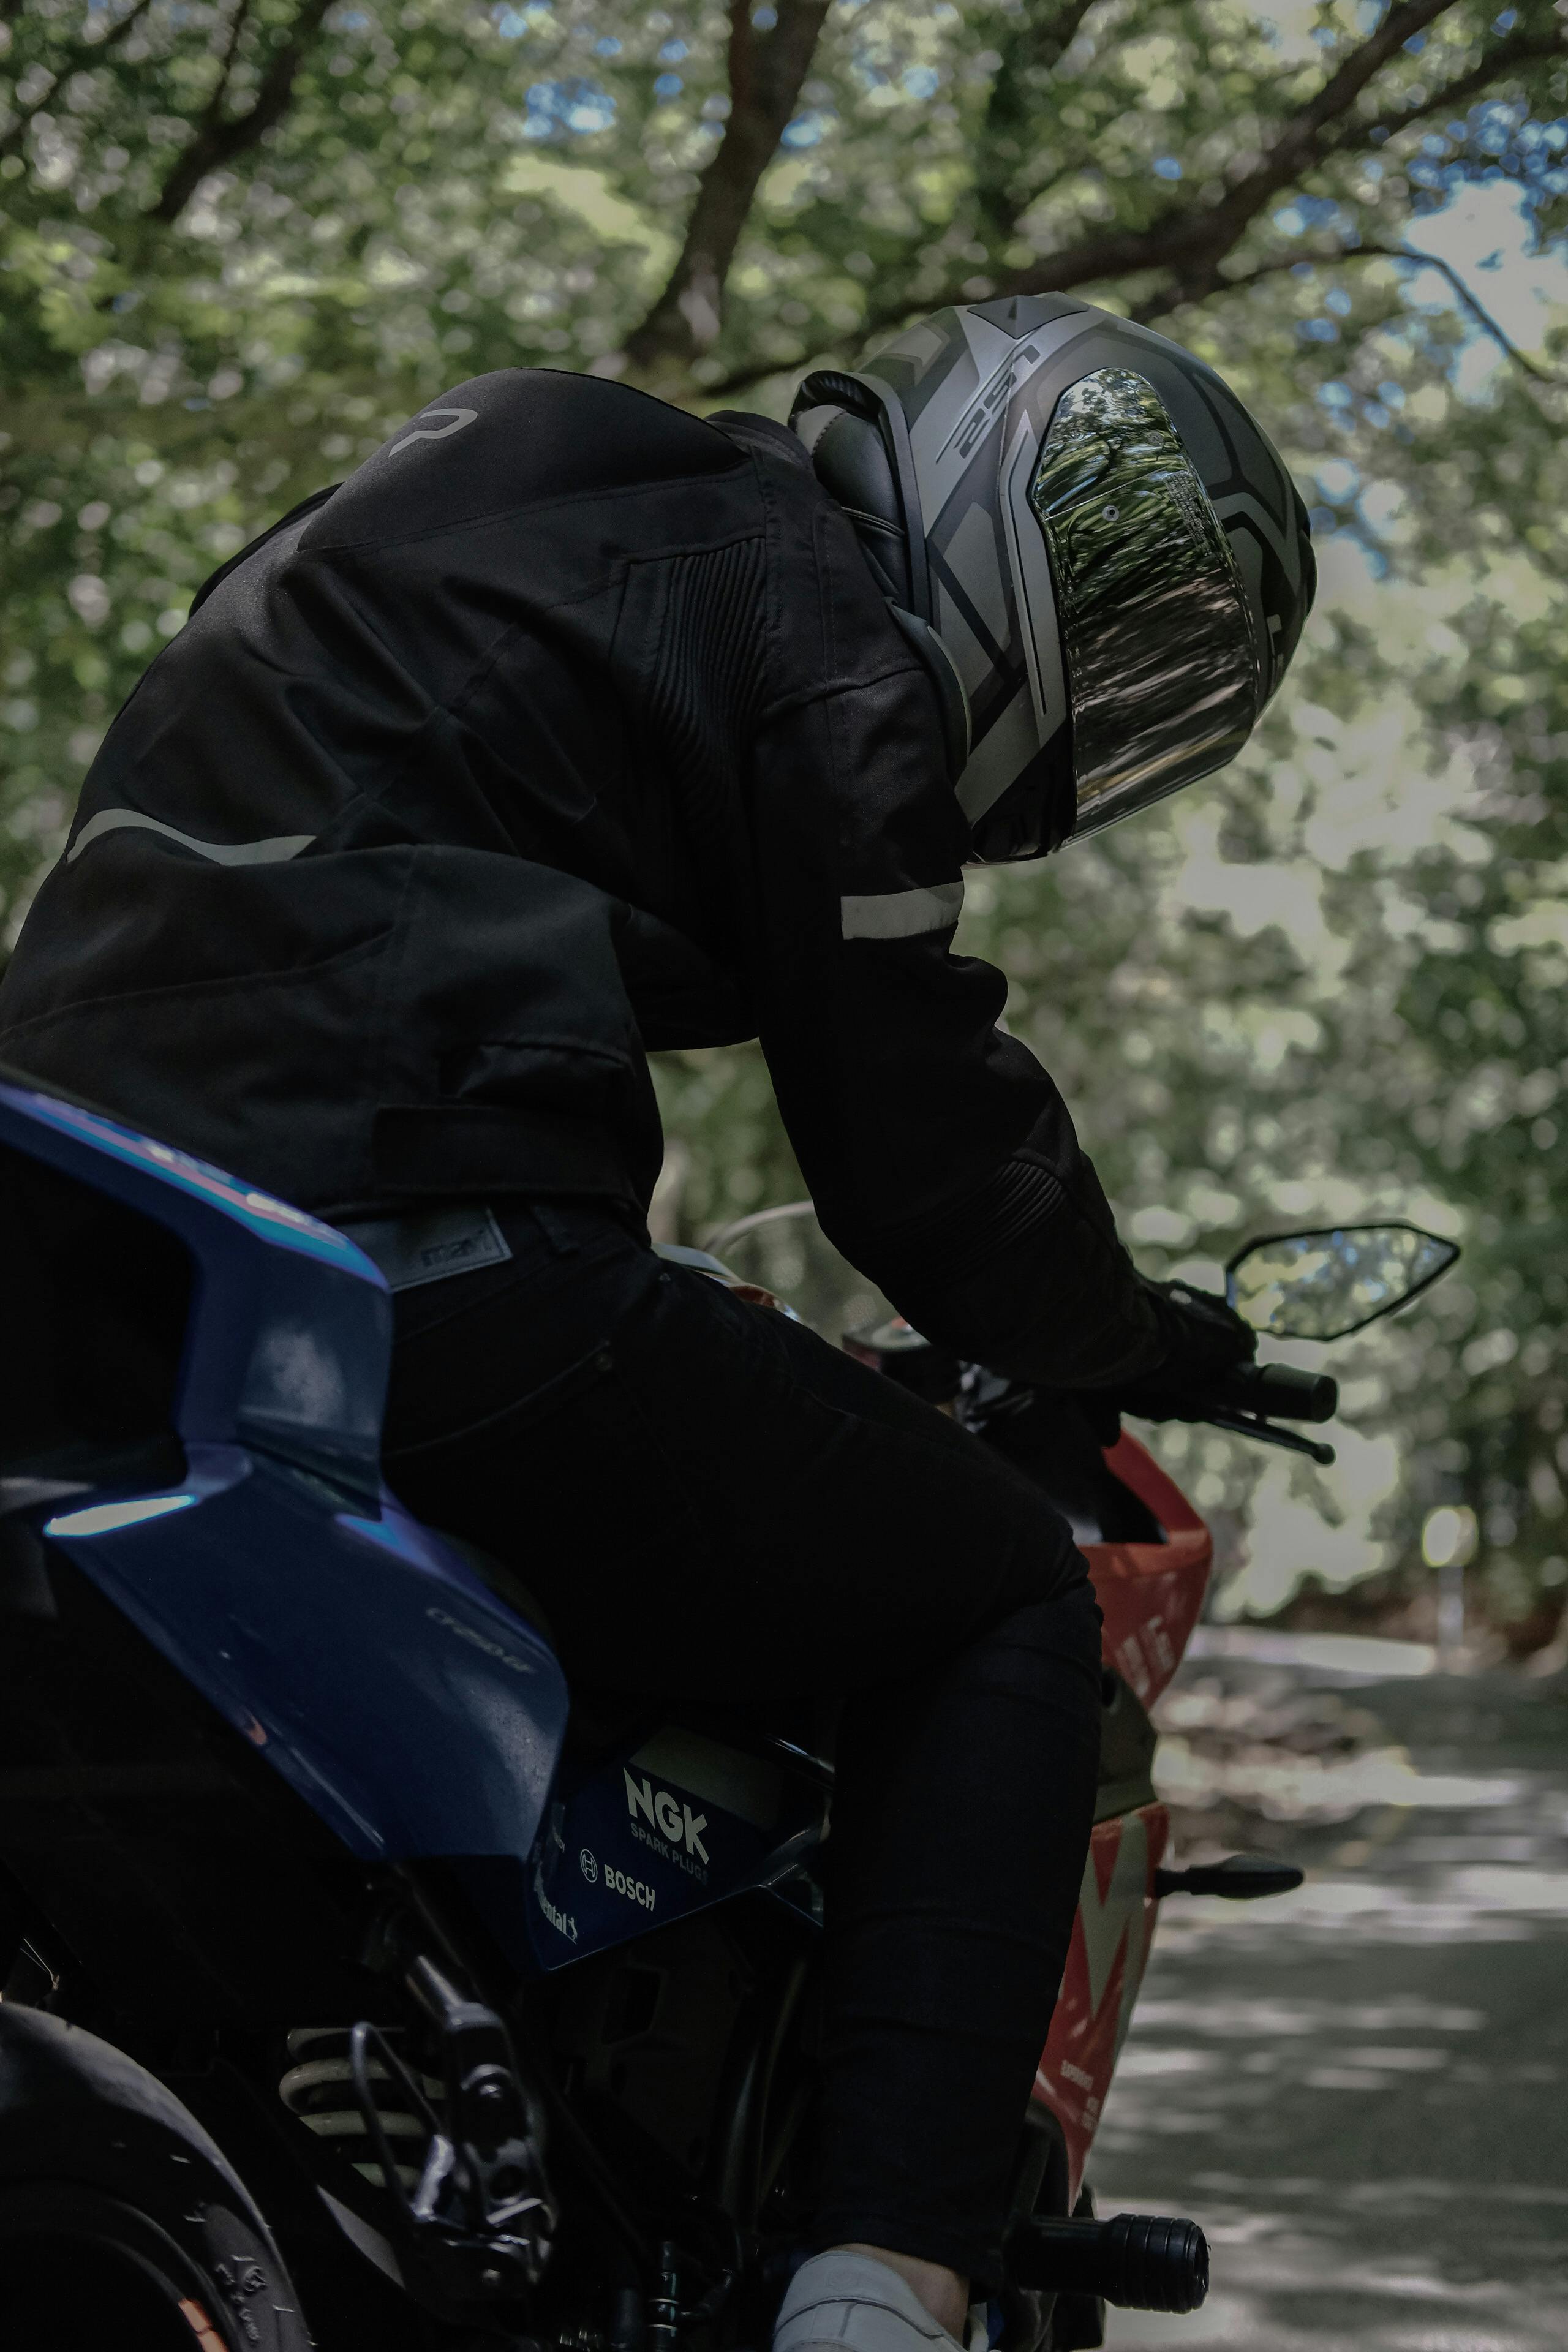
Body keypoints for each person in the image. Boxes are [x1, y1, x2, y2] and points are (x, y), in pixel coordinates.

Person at [0, 296, 1313, 2352]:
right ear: (991, 476)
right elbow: (920, 1137)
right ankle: (882, 2283)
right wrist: (1126, 1333)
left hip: (88, 1251)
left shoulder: (509, 480)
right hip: (405, 1249)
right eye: (1116, 621)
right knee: (986, 1598)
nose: (1099, 707)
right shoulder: (814, 612)